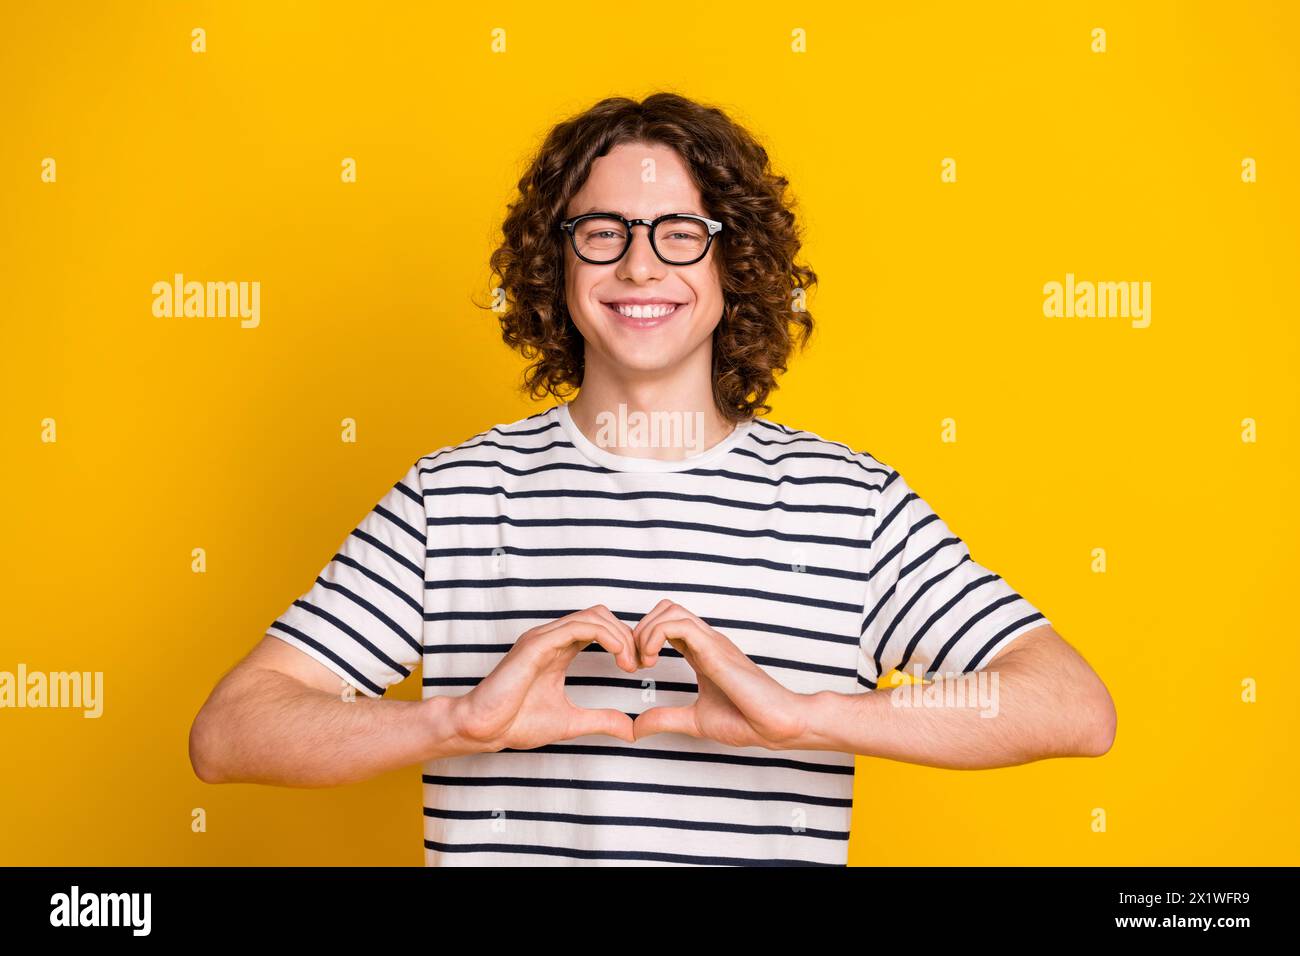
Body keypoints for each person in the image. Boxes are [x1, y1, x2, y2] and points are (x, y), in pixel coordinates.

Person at [188, 92, 1116, 866]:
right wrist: (458, 722)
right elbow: (232, 732)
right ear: (558, 258)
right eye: (604, 231)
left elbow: (1070, 707)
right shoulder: (454, 496)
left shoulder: (849, 502)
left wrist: (805, 715)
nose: (639, 264)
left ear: (732, 260)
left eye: (681, 232)